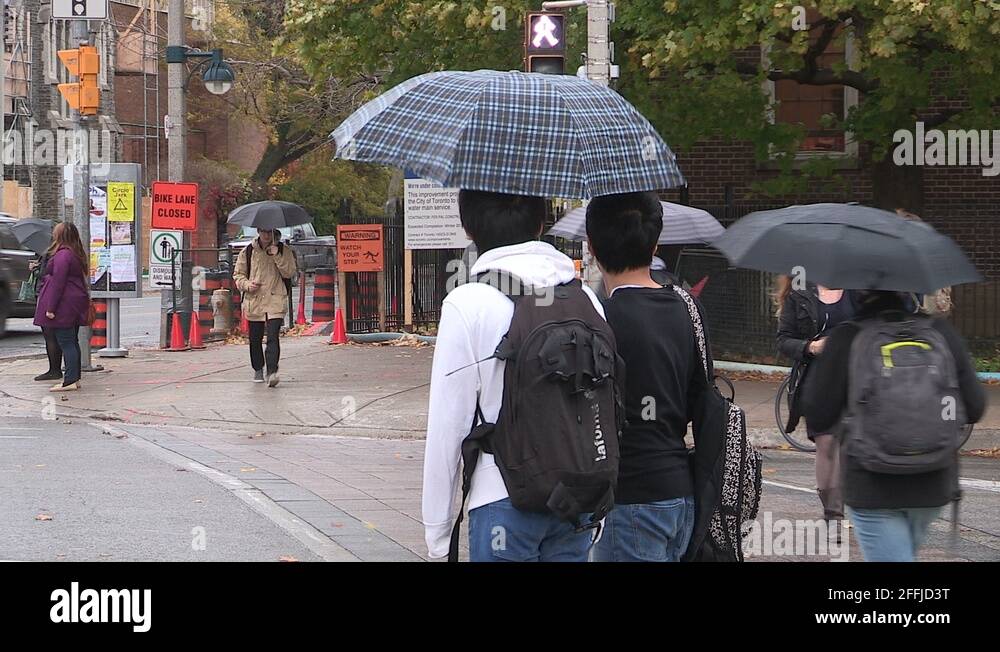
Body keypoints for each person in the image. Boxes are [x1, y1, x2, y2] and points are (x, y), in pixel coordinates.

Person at [422, 190, 607, 562]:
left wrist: (438, 529)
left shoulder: (467, 303)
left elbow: (448, 423)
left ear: (468, 227)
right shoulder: (584, 296)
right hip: (576, 498)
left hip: (502, 497)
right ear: (540, 223)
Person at [804, 290, 985, 561]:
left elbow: (819, 415)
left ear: (861, 291)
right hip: (932, 481)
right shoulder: (940, 332)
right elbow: (975, 407)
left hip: (872, 486)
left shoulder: (848, 337)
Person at [584, 191, 705, 562]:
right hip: (681, 492)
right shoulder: (686, 307)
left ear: (590, 247)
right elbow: (697, 393)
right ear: (655, 245)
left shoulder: (601, 320)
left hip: (629, 498)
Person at [776, 277, 859, 526]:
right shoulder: (799, 295)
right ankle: (833, 512)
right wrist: (810, 347)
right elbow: (783, 340)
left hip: (854, 378)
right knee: (826, 442)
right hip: (817, 380)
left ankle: (844, 508)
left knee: (849, 445)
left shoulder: (858, 292)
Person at [233, 228, 297, 387]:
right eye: (264, 232)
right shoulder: (248, 251)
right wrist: (248, 285)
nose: (267, 235)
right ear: (258, 231)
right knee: (255, 339)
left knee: (273, 337)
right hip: (255, 300)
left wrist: (277, 255)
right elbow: (238, 275)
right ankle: (258, 368)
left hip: (275, 298)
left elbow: (289, 272)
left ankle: (272, 371)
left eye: (270, 232)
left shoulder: (283, 250)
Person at [33, 222, 90, 392]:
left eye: (56, 232)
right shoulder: (74, 253)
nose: (53, 235)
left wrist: (50, 308)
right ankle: (74, 377)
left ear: (61, 236)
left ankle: (70, 380)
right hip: (72, 302)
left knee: (66, 341)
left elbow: (58, 283)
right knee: (71, 341)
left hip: (64, 304)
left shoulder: (62, 256)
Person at [29, 251, 62, 382]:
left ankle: (54, 370)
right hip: (47, 294)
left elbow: (46, 275)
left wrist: (35, 269)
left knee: (50, 334)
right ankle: (55, 369)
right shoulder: (52, 253)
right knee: (52, 335)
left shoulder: (50, 253)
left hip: (45, 294)